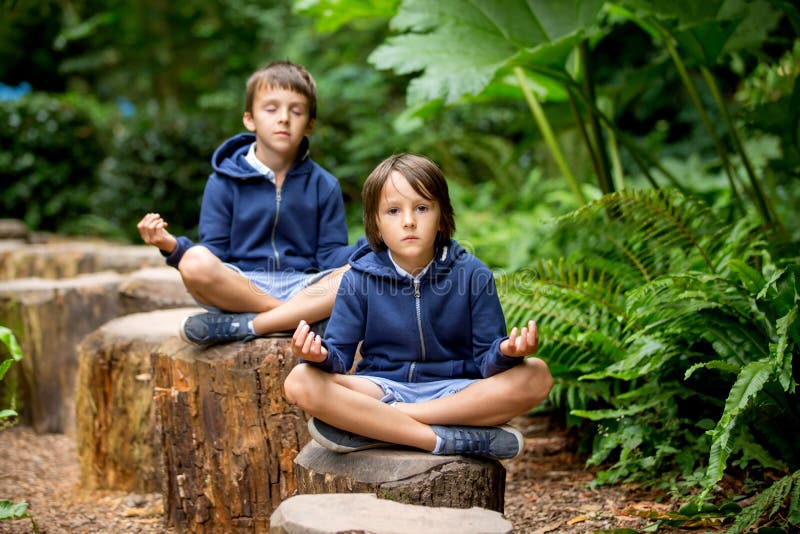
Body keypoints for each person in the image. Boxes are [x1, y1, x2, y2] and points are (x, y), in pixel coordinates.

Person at [284, 153, 553, 460]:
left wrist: (507, 353)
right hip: (381, 388)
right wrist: (318, 356)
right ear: (376, 221)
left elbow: (485, 362)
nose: (409, 220)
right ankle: (435, 439)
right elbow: (339, 359)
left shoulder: (472, 273)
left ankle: (381, 425)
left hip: (455, 391)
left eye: (422, 208)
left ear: (442, 217)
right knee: (300, 380)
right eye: (394, 210)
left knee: (536, 375)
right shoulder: (358, 279)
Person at [138, 60, 356, 346]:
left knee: (358, 274)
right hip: (242, 288)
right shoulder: (223, 182)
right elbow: (214, 252)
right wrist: (171, 246)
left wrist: (374, 248)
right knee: (194, 262)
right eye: (271, 109)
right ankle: (293, 321)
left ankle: (254, 325)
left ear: (310, 125)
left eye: (296, 110)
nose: (283, 118)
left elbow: (329, 256)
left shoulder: (324, 185)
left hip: (303, 286)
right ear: (249, 119)